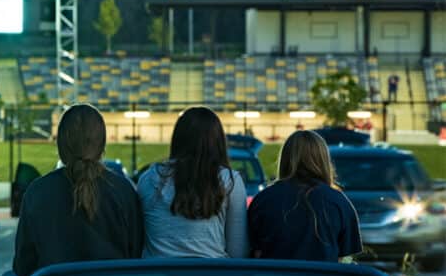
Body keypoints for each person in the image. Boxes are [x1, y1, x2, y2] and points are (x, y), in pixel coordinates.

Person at [12, 104, 144, 276]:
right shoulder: (123, 191)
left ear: (61, 145)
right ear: (102, 145)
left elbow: (22, 266)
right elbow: (136, 256)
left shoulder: (37, 192)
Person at [137, 106, 248, 259]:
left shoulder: (148, 178)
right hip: (212, 272)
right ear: (218, 142)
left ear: (177, 139)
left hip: (158, 272)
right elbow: (238, 252)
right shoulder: (230, 181)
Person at [248, 130, 362, 262]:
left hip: (275, 275)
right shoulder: (338, 202)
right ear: (323, 160)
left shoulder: (263, 200)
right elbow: (340, 259)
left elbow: (255, 254)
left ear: (285, 159)